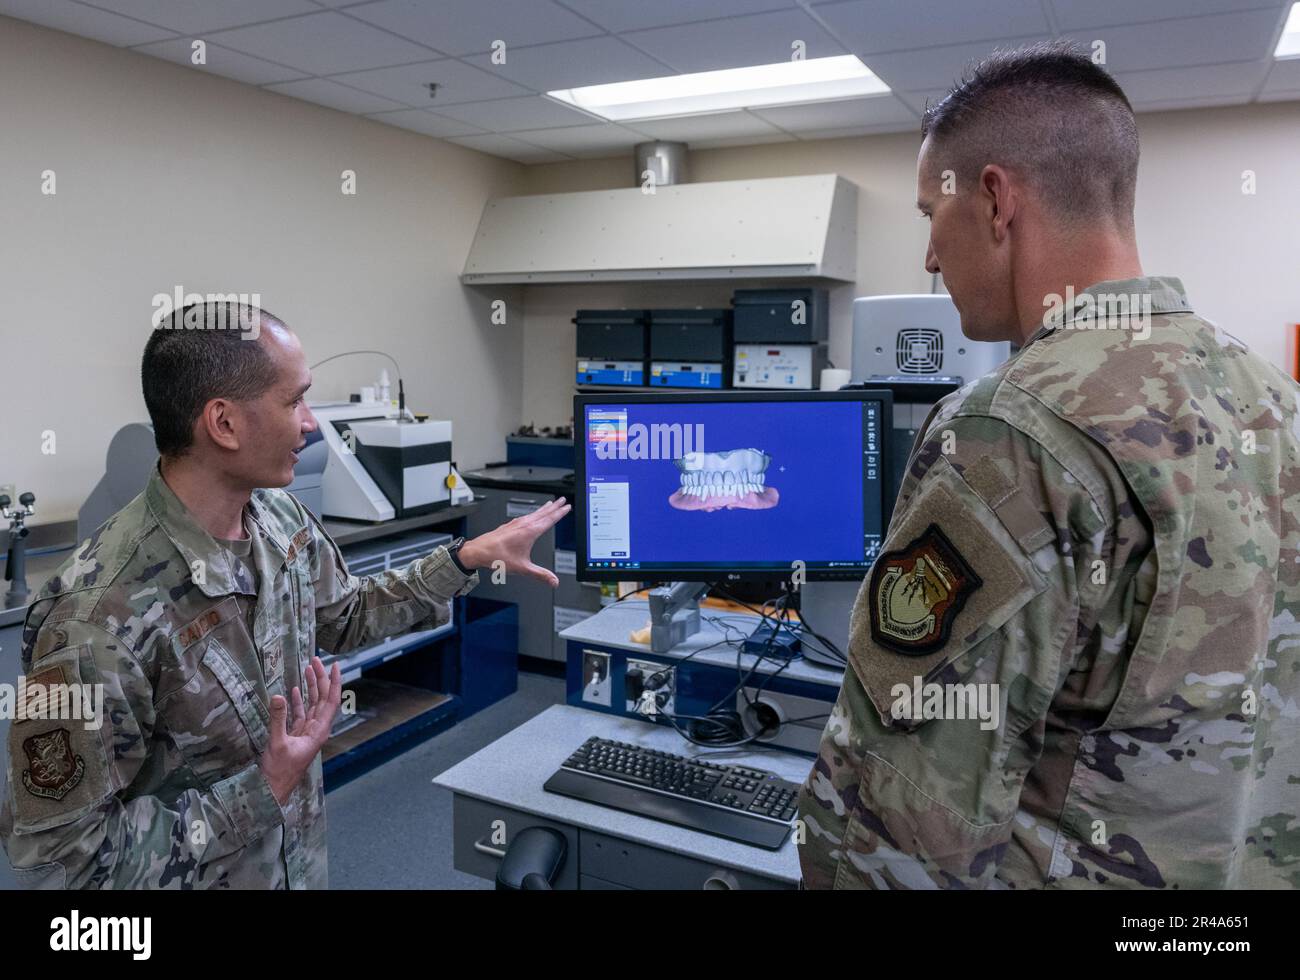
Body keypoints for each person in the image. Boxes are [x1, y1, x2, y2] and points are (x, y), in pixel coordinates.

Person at [796, 40, 1300, 889]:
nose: (927, 256)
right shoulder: (1276, 402)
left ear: (995, 201)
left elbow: (900, 813)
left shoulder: (1011, 431)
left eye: (929, 214)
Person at [0, 302, 569, 888]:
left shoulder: (279, 520)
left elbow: (345, 618)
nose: (311, 423)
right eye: (294, 400)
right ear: (223, 423)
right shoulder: (95, 617)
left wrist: (463, 559)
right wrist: (261, 790)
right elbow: (61, 856)